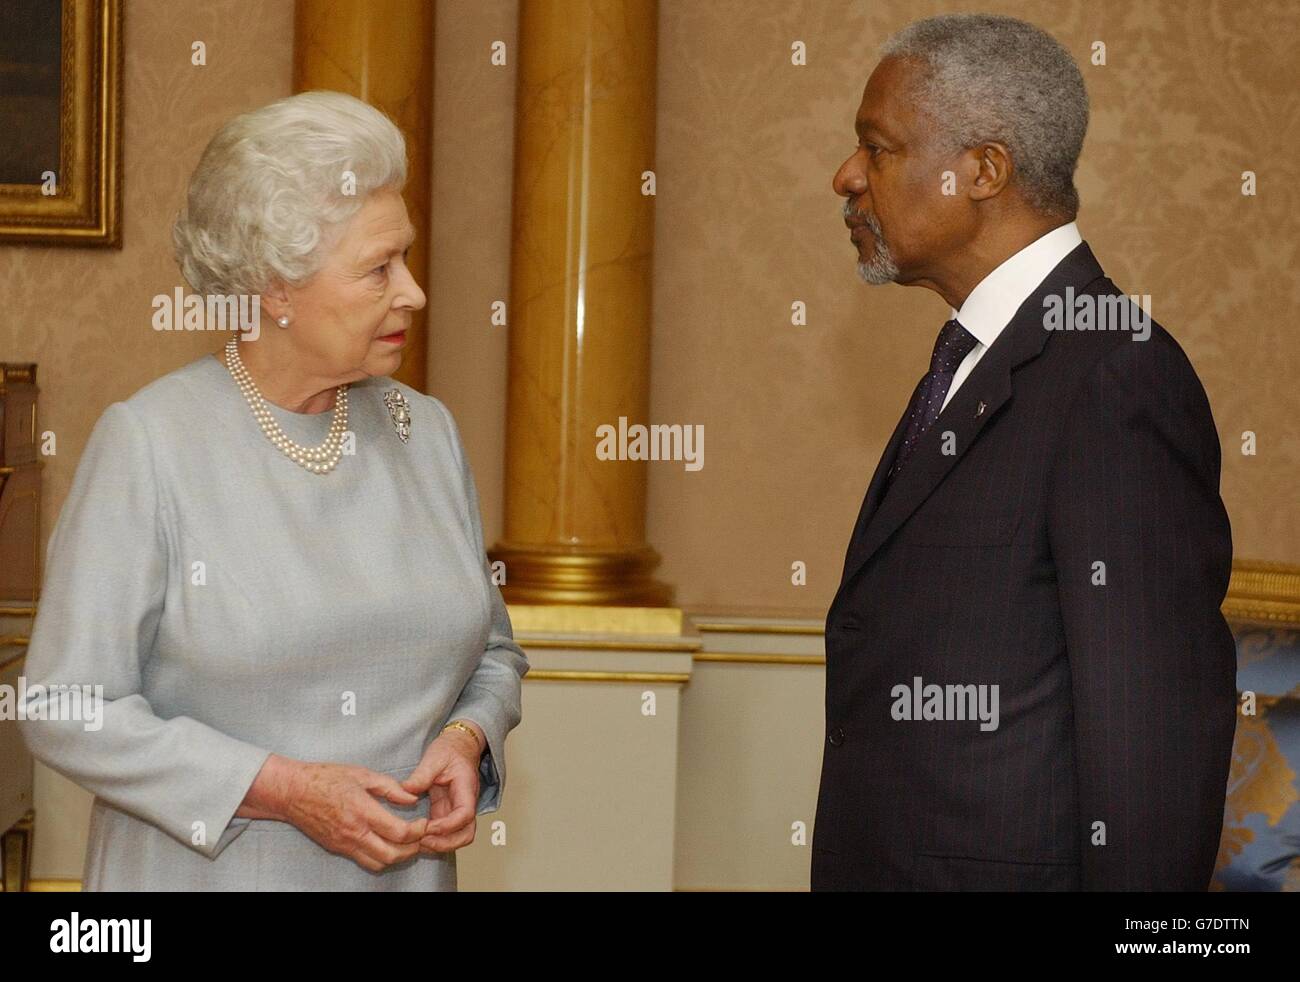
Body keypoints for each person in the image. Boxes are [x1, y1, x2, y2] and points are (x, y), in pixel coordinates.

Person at [20, 91, 528, 891]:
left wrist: (468, 737)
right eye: (378, 269)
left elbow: (492, 652)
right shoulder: (153, 445)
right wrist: (283, 790)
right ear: (274, 289)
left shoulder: (423, 433)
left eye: (407, 258)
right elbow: (64, 707)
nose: (414, 293)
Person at [814, 14, 1236, 890]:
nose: (846, 176)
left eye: (877, 148)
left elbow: (1152, 746)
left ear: (984, 171)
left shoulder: (1114, 373)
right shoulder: (976, 359)